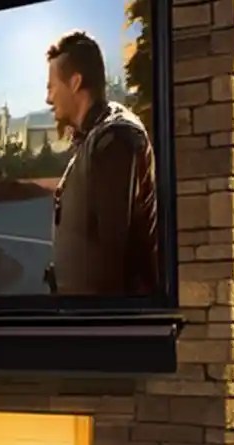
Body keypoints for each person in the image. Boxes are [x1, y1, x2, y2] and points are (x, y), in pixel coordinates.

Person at [45, 30, 159, 296]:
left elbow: (112, 256)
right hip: (88, 325)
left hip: (110, 330)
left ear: (74, 82)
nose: (48, 98)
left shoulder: (115, 138)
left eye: (51, 87)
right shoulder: (93, 137)